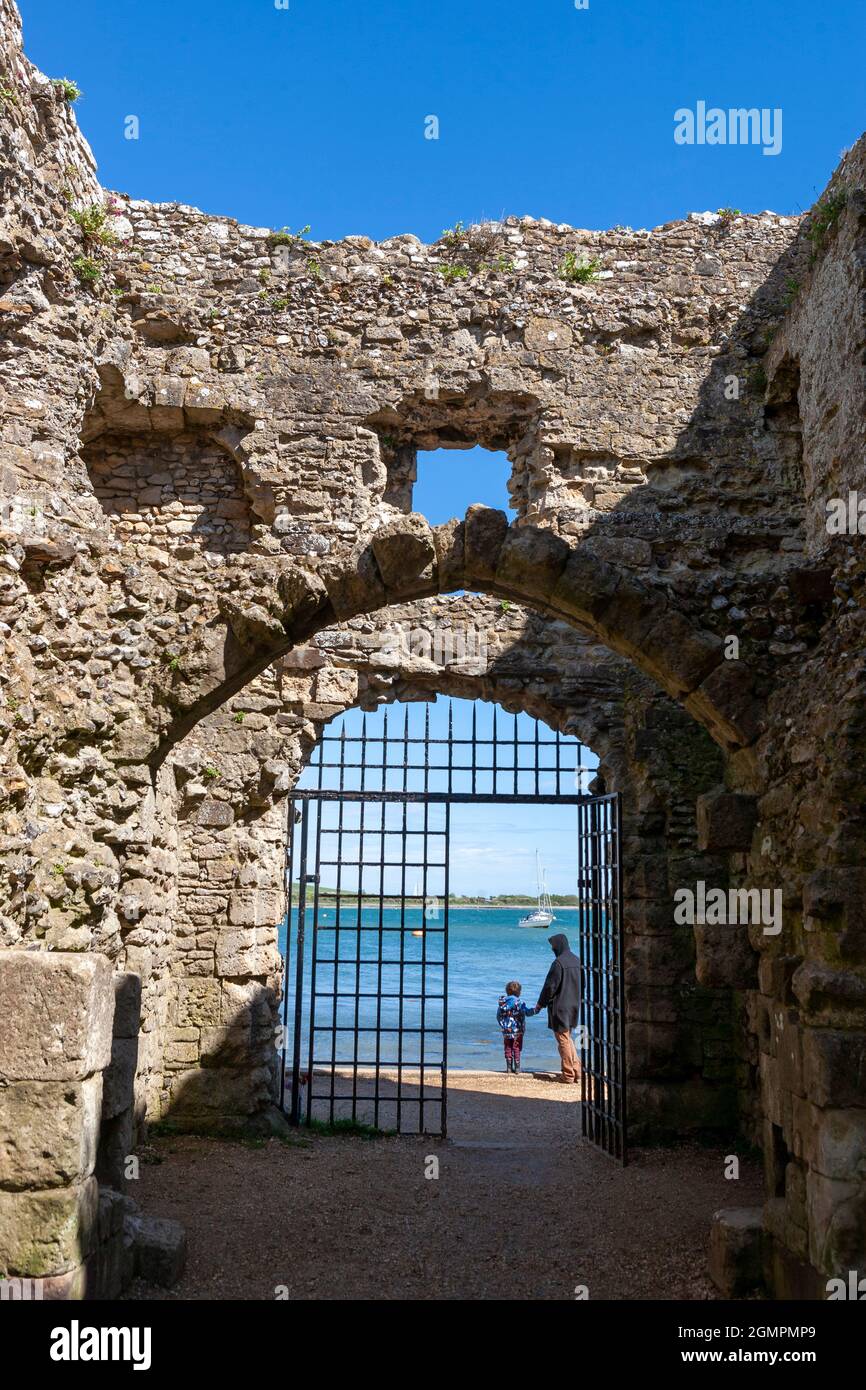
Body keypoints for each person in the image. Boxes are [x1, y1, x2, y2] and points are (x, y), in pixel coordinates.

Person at [535, 933, 582, 1084]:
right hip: (574, 1005)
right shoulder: (577, 961)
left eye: (553, 946)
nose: (552, 949)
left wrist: (540, 1004)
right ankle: (578, 1071)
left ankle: (568, 1074)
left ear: (558, 946)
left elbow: (550, 987)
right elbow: (584, 985)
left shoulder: (558, 963)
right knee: (567, 1038)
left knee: (563, 1039)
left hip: (560, 1007)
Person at [496, 980, 536, 1074]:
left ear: (507, 992)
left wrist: (503, 1025)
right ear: (519, 992)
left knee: (508, 1047)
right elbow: (527, 1012)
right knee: (516, 1047)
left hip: (507, 1031)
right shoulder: (520, 1003)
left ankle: (509, 1068)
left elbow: (498, 1016)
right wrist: (535, 1010)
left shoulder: (502, 1004)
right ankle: (517, 1068)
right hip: (518, 1031)